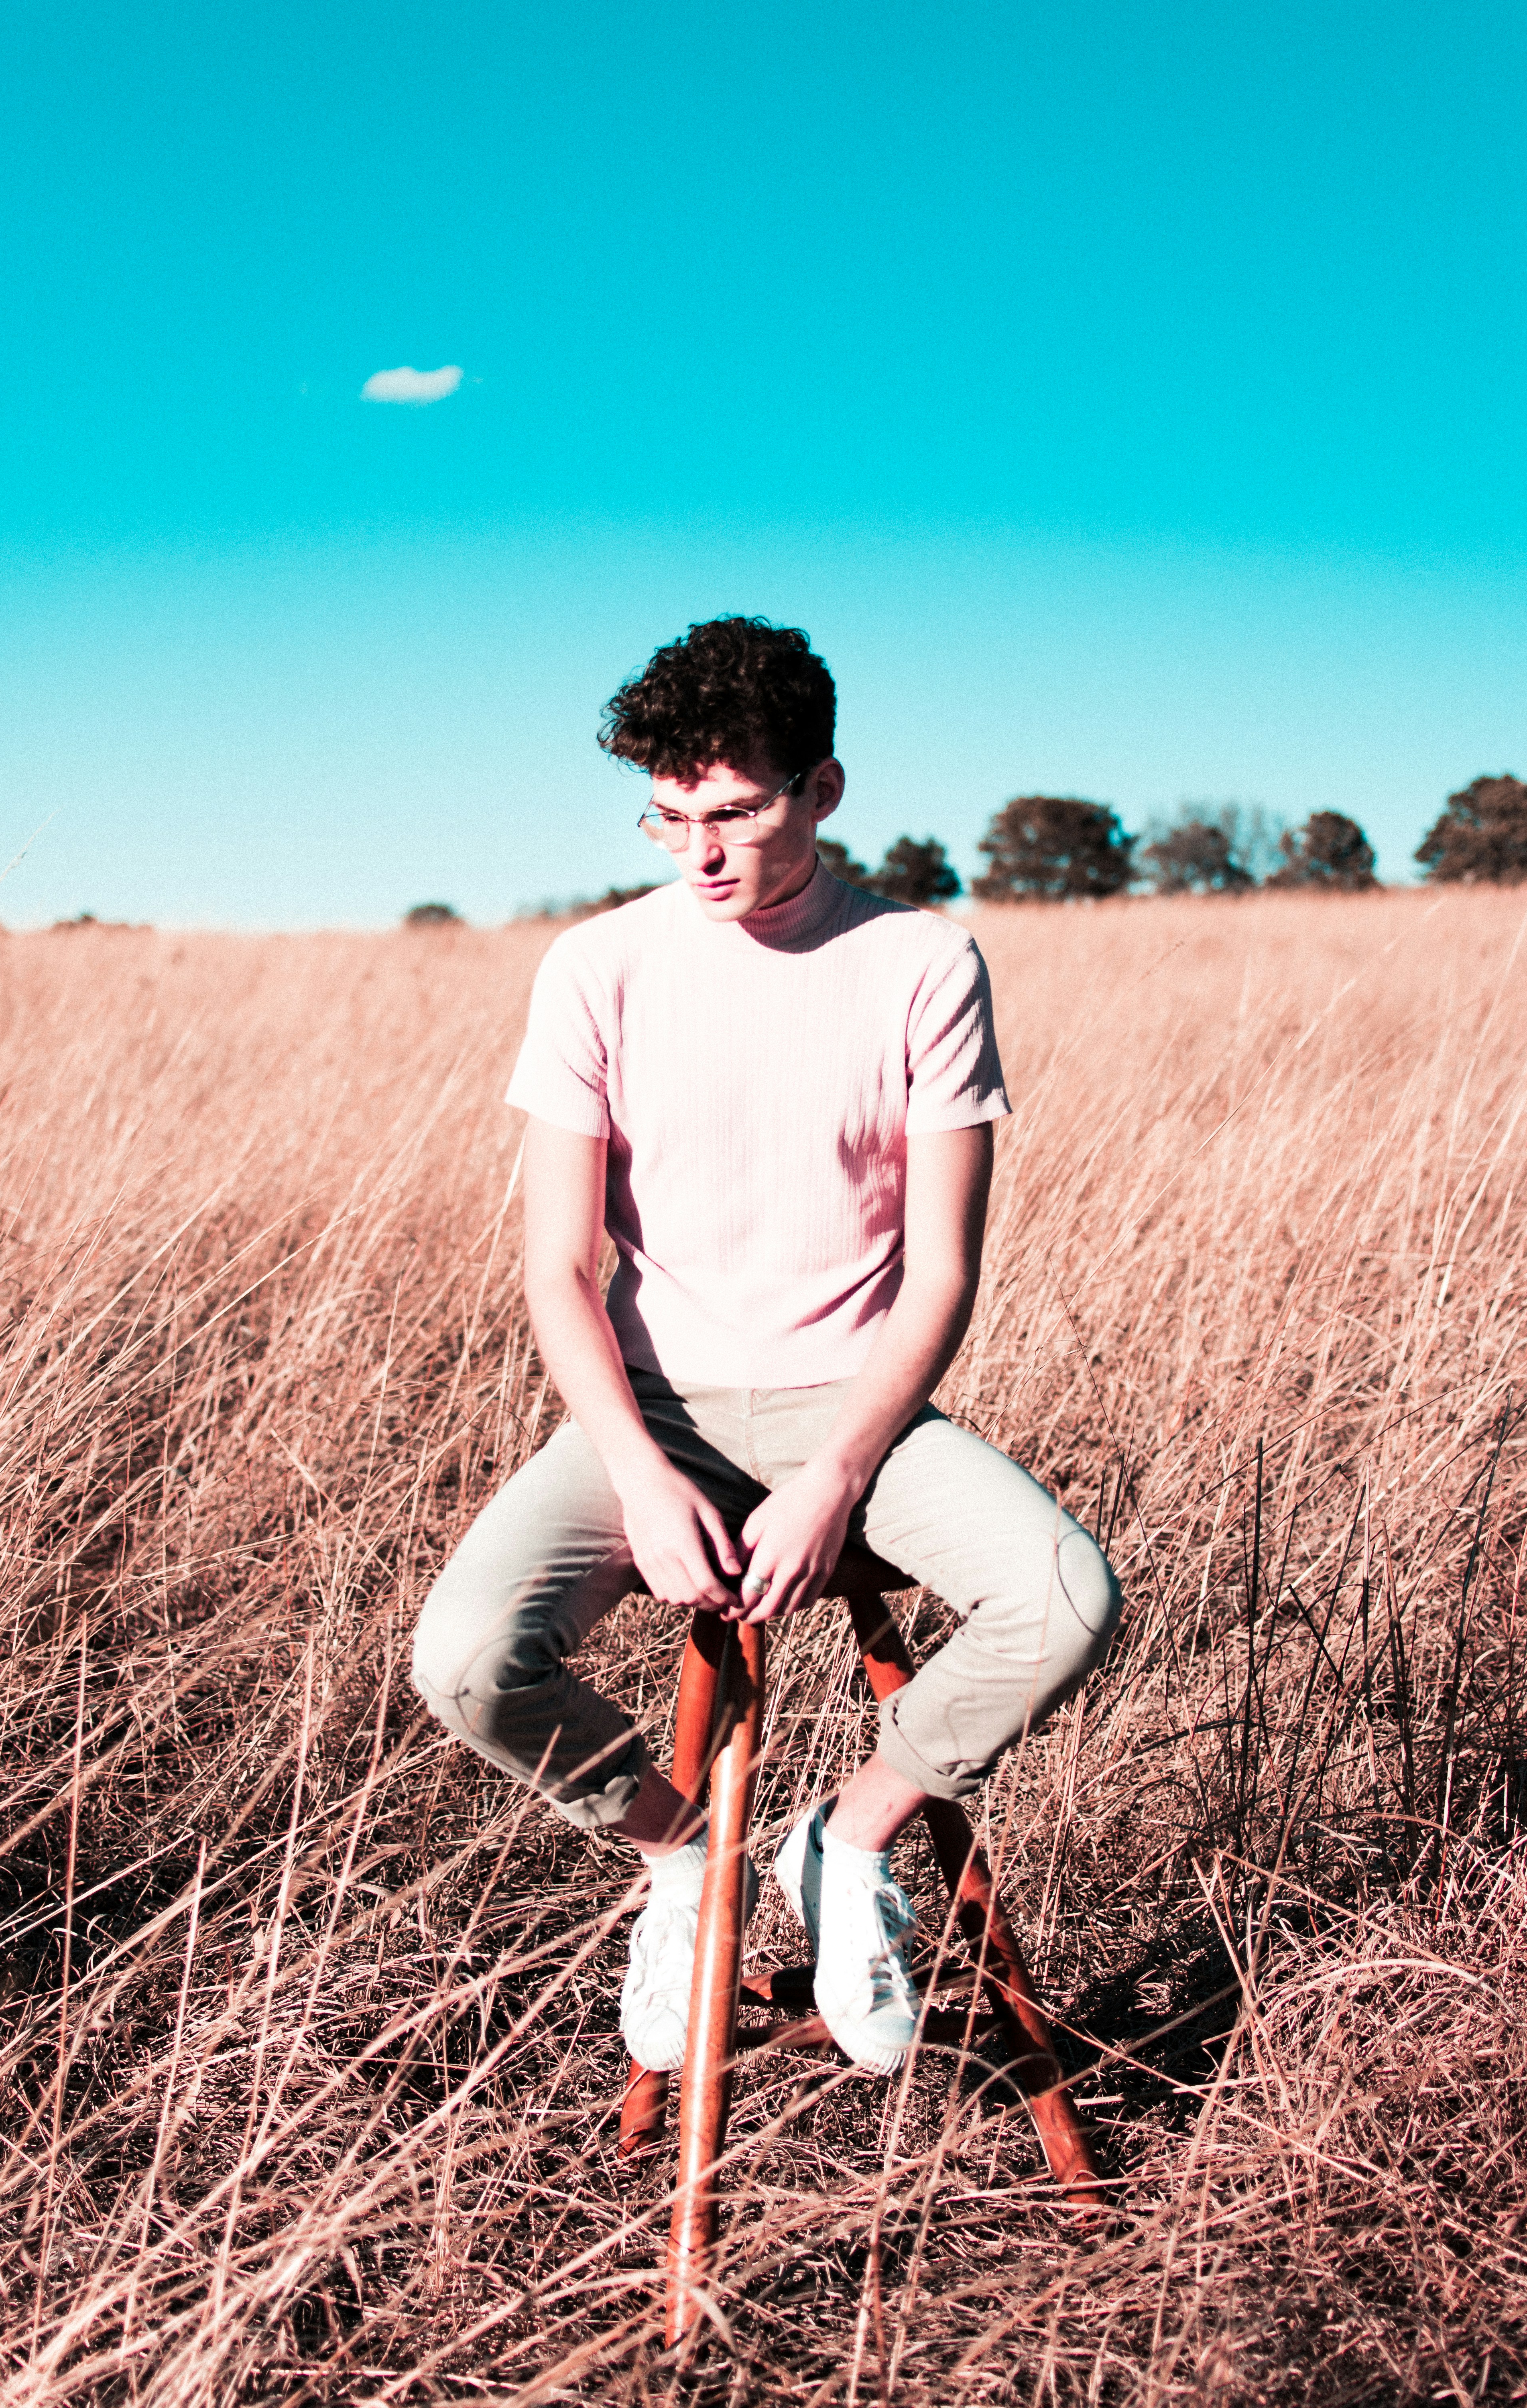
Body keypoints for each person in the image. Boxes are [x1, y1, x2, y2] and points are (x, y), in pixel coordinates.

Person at [411, 616, 1120, 2074]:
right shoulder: (597, 965)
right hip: (652, 1409)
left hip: (853, 1405)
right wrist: (639, 1468)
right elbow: (559, 1265)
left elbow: (941, 1275)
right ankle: (691, 1866)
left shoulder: (922, 961)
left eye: (737, 810)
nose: (703, 852)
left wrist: (835, 1479)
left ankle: (840, 1847)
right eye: (670, 817)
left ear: (825, 787)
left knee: (1066, 1598)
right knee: (467, 1660)